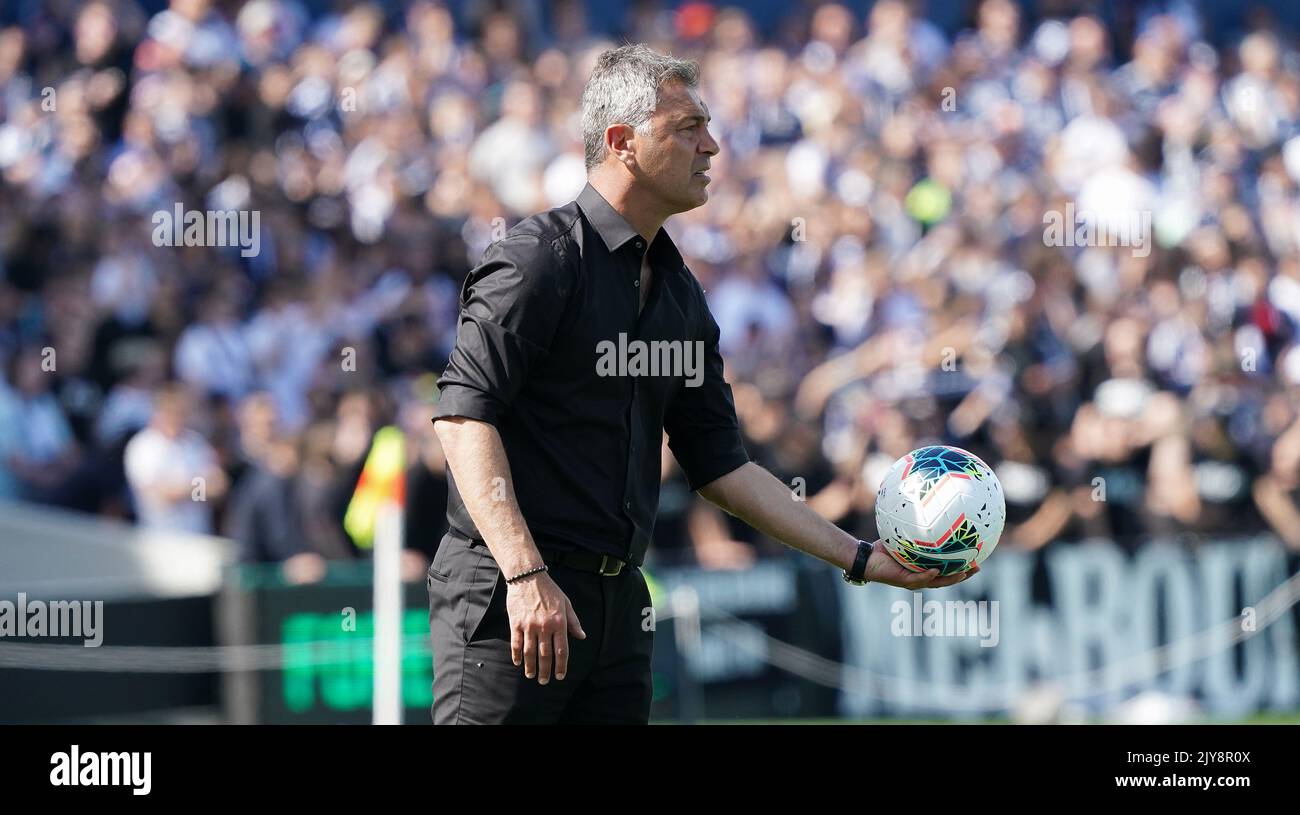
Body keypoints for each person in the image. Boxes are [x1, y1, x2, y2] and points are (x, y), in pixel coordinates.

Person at [426, 43, 979, 725]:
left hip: (619, 605)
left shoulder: (681, 296)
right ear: (622, 142)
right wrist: (524, 573)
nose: (712, 146)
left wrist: (861, 557)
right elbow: (461, 418)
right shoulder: (537, 261)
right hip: (511, 599)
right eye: (687, 128)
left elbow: (723, 469)